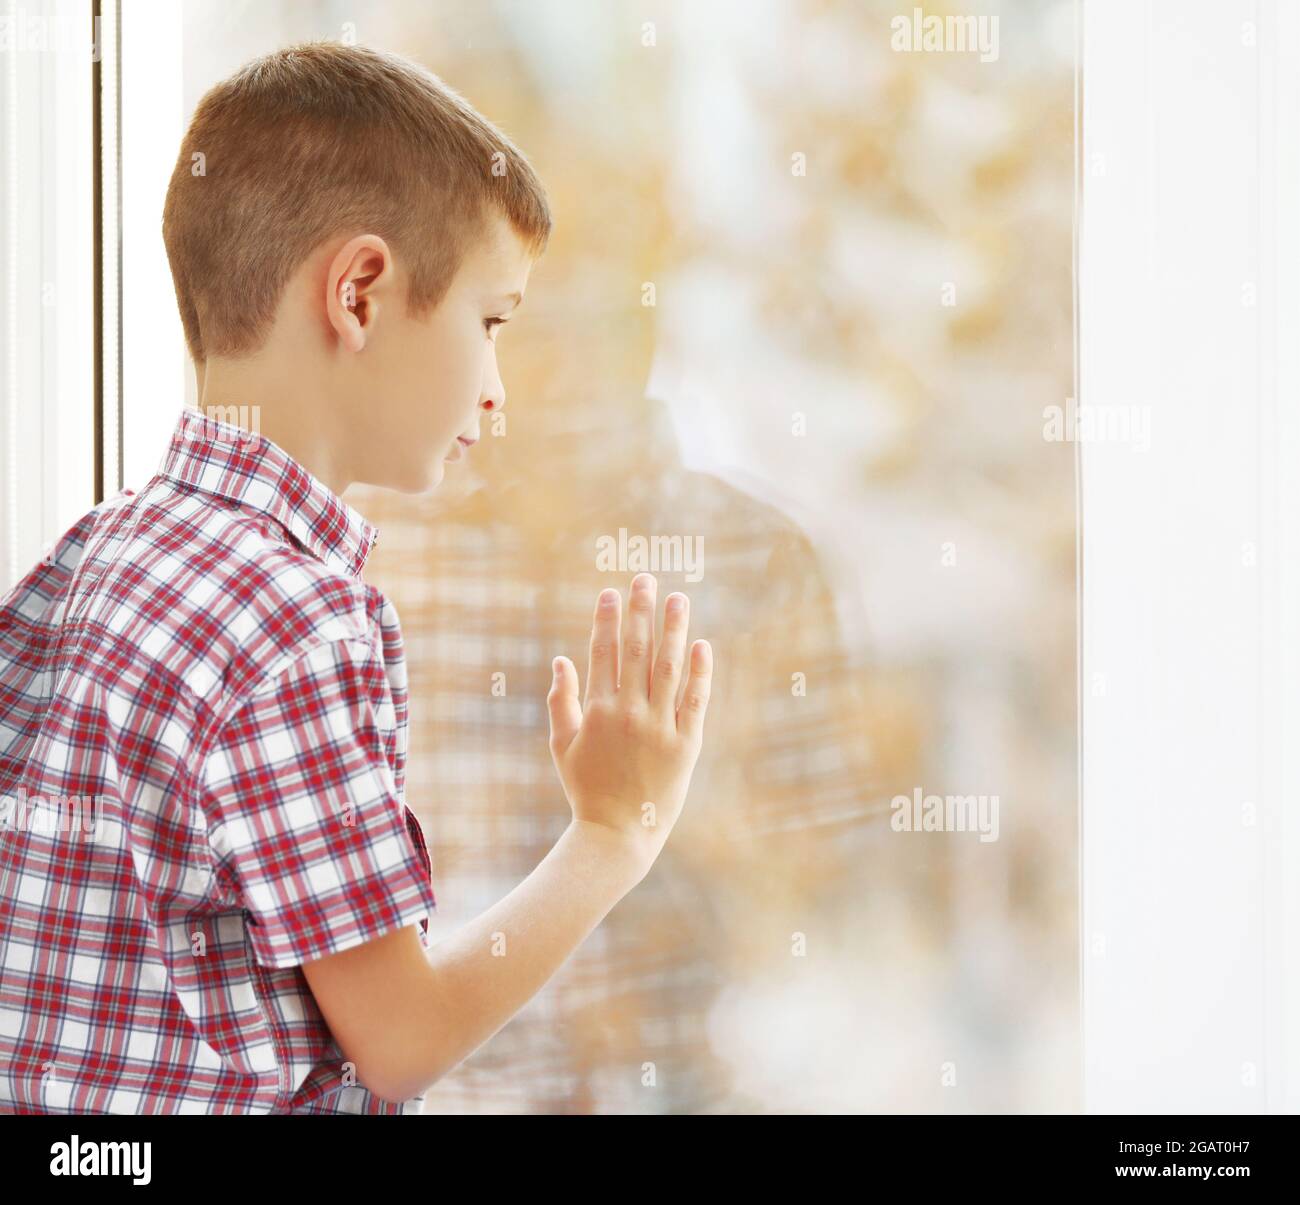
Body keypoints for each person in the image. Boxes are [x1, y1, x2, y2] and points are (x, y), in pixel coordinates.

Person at [0, 41, 712, 1115]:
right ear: (362, 292)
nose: (496, 393)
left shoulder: (101, 551)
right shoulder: (298, 621)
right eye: (490, 323)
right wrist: (611, 834)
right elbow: (402, 1039)